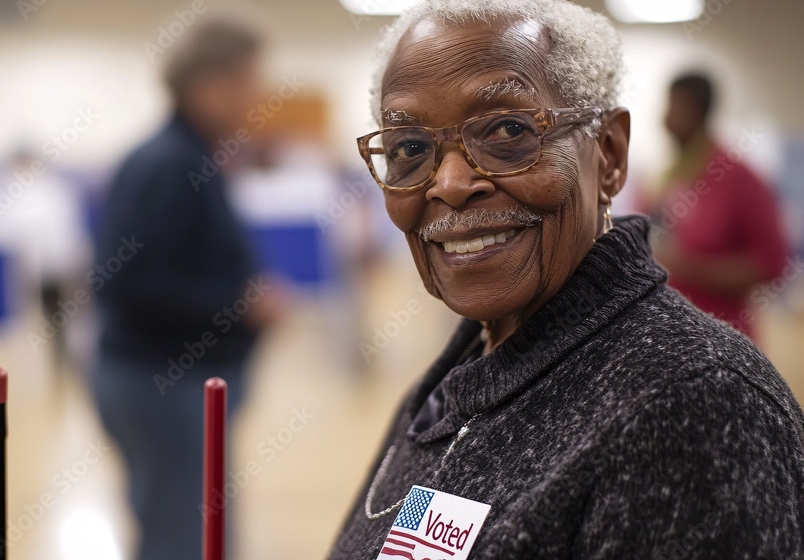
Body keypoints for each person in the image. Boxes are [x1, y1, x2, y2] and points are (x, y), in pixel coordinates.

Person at [329, 1, 804, 558]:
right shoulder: (458, 383)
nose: (451, 184)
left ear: (609, 155)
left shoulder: (693, 405)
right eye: (409, 148)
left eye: (508, 129)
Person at [91, 20, 281, 560]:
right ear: (209, 85)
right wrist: (239, 305)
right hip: (162, 381)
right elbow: (127, 283)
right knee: (185, 542)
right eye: (247, 82)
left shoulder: (190, 157)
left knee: (194, 535)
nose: (255, 98)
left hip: (172, 380)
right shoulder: (169, 164)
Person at [651, 73, 789, 341]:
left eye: (674, 106)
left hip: (723, 339)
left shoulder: (737, 177)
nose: (665, 118)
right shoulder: (670, 175)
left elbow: (771, 263)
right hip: (672, 335)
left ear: (697, 111)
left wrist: (687, 267)